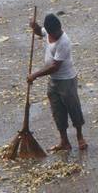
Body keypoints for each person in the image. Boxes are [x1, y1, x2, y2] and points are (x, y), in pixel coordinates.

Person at [28, 13, 87, 153]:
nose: (56, 34)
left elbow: (55, 67)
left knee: (73, 108)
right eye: (53, 32)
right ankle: (64, 141)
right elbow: (39, 31)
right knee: (57, 111)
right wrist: (34, 26)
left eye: (57, 31)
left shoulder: (64, 41)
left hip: (67, 81)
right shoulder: (47, 33)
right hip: (53, 81)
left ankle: (80, 137)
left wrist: (34, 75)